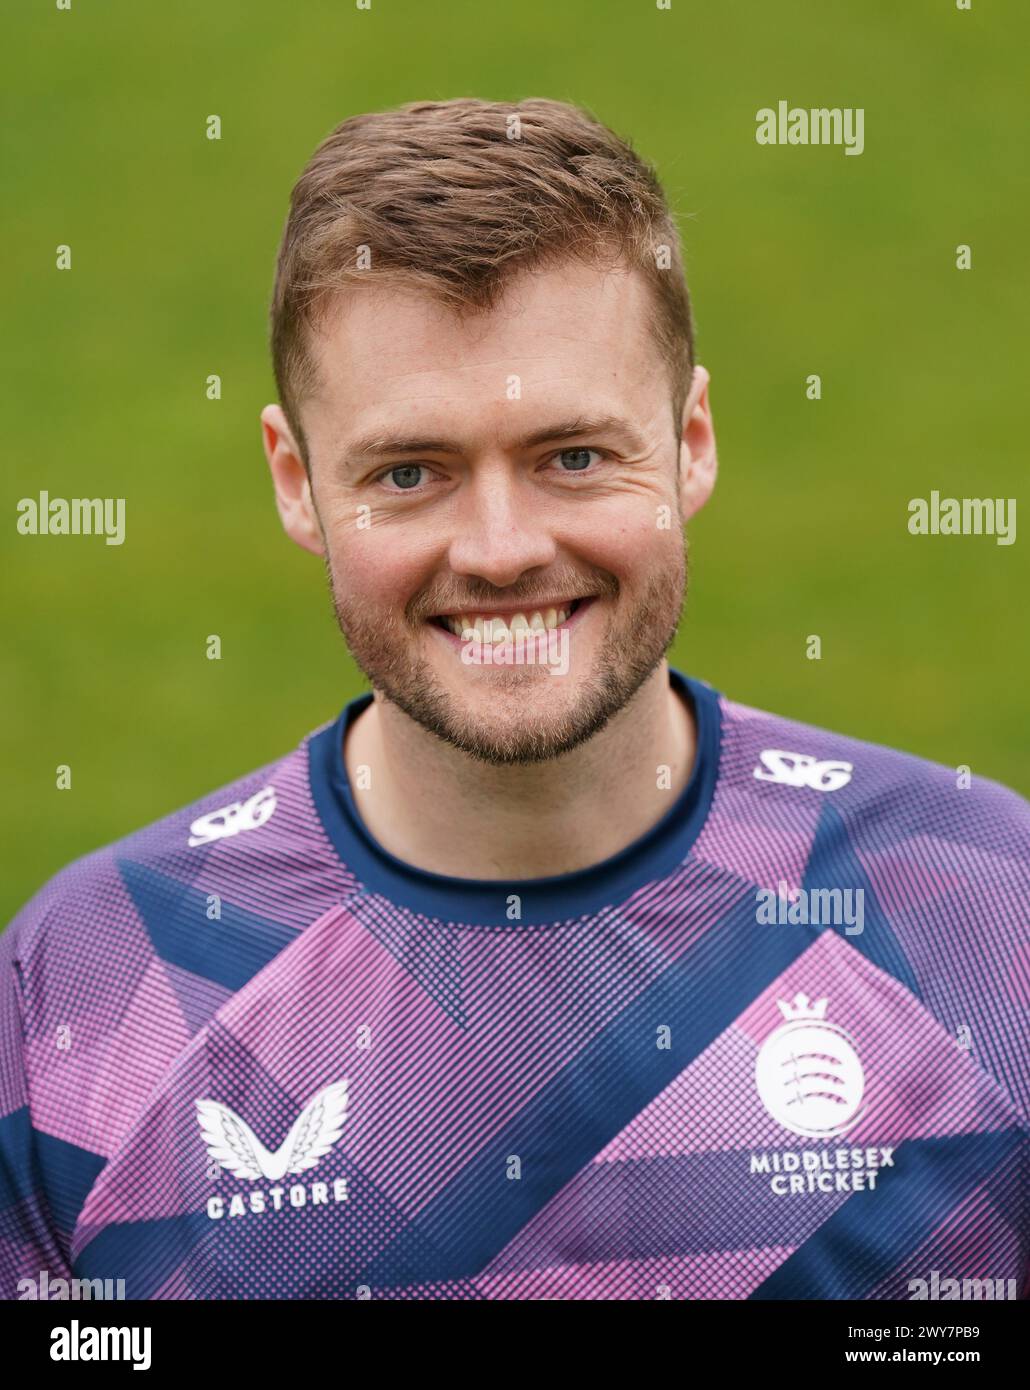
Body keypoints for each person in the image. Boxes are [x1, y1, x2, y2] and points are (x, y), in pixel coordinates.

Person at [2, 99, 1026, 1302]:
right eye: (410, 472)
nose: (498, 549)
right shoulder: (91, 981)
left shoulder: (984, 913)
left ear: (691, 438)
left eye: (573, 457)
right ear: (296, 482)